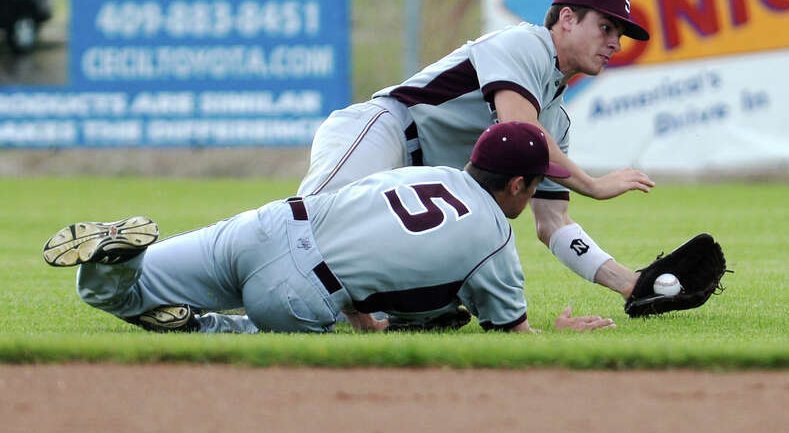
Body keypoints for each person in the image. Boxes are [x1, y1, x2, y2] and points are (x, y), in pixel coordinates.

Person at [297, 0, 717, 319]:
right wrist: (595, 184)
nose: (615, 43)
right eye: (605, 28)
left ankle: (387, 315)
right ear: (566, 19)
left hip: (422, 185)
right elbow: (520, 126)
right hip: (386, 129)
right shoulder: (525, 45)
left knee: (420, 280)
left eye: (620, 34)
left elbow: (552, 224)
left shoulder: (556, 119)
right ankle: (241, 303)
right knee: (307, 228)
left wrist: (629, 282)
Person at [42, 121, 617, 334]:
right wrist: (561, 330)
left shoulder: (430, 172)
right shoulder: (495, 238)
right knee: (276, 333)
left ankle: (110, 258)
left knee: (124, 299)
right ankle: (206, 329)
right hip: (299, 290)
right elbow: (508, 330)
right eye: (536, 181)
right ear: (518, 185)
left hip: (268, 223)